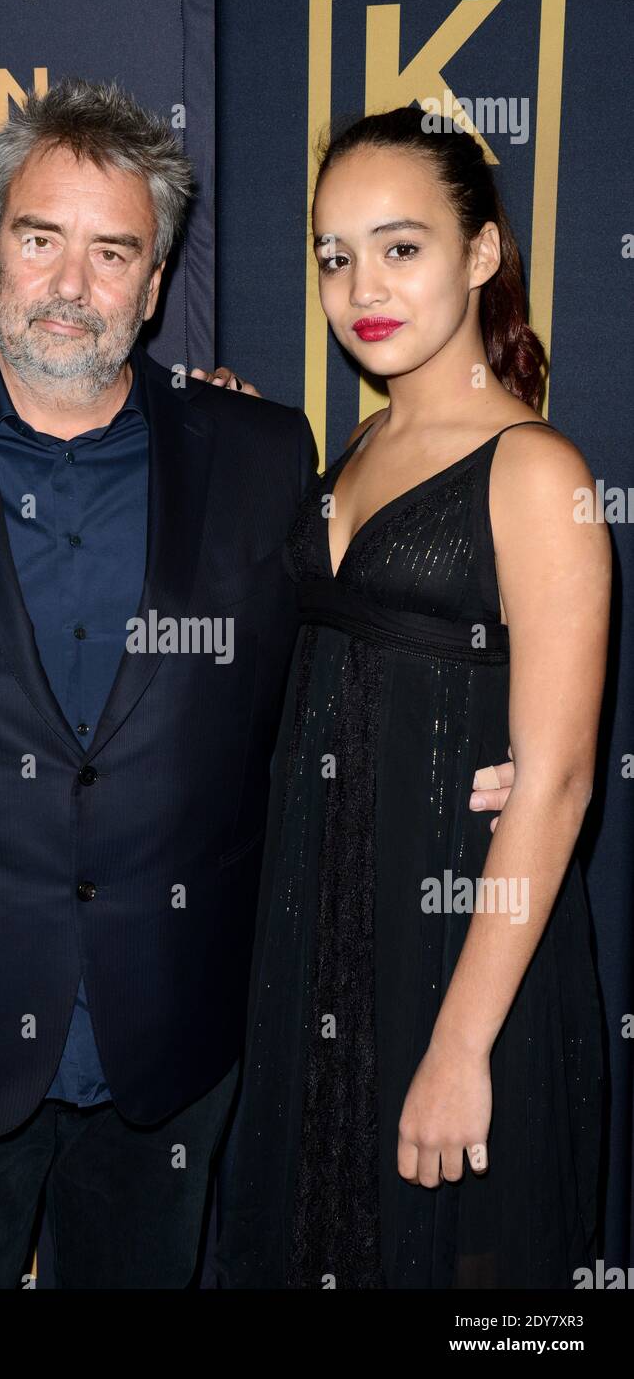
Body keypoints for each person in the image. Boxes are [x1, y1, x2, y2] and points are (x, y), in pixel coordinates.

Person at [0, 82, 513, 1290]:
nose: (70, 283)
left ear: (152, 288)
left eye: (113, 252)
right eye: (41, 238)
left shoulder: (259, 455)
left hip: (170, 1045)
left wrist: (490, 739)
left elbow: (345, 657)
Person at [211, 106, 609, 1289]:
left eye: (399, 246)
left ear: (480, 252)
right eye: (333, 255)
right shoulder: (358, 443)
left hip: (454, 953)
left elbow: (554, 780)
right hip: (317, 930)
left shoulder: (538, 472)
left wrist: (458, 1041)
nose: (357, 286)